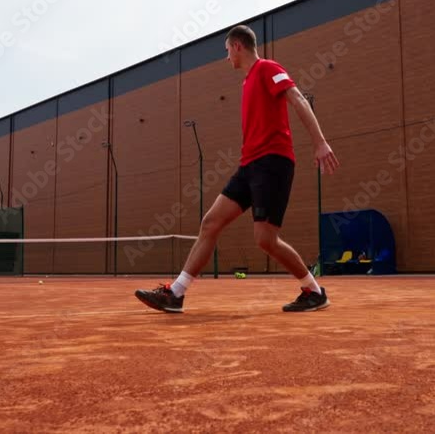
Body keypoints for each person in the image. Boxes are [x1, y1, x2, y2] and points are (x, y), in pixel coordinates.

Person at [135, 25, 340, 313]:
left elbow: (297, 99)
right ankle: (176, 293)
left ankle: (314, 291)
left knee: (265, 240)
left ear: (237, 46)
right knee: (211, 222)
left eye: (226, 50)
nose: (226, 57)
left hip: (273, 163)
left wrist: (320, 143)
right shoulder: (246, 83)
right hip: (248, 166)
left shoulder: (267, 68)